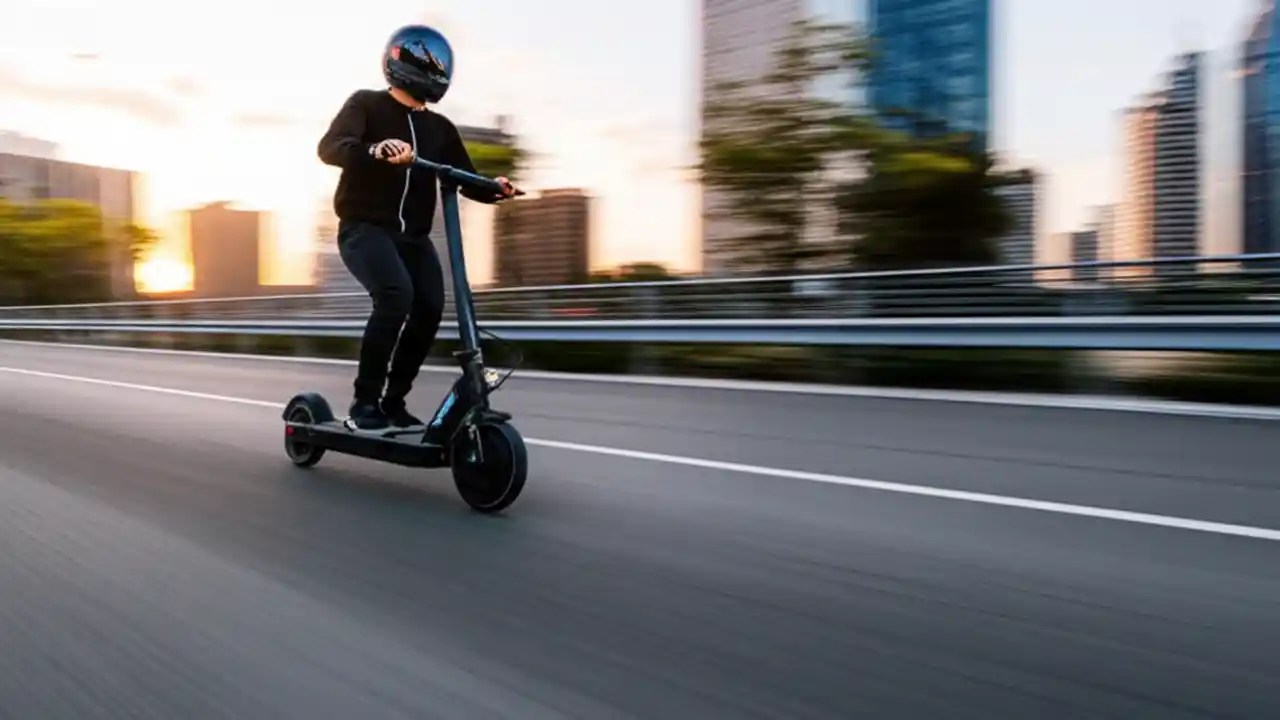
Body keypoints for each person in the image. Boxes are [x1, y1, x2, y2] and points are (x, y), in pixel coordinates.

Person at [318, 24, 515, 431]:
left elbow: (465, 178)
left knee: (429, 307)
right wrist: (375, 150)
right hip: (364, 228)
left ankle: (393, 402)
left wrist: (495, 188)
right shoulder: (367, 104)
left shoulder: (440, 129)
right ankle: (364, 402)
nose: (438, 71)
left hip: (413, 238)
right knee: (395, 296)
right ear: (402, 63)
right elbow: (331, 147)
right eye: (431, 64)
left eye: (442, 65)